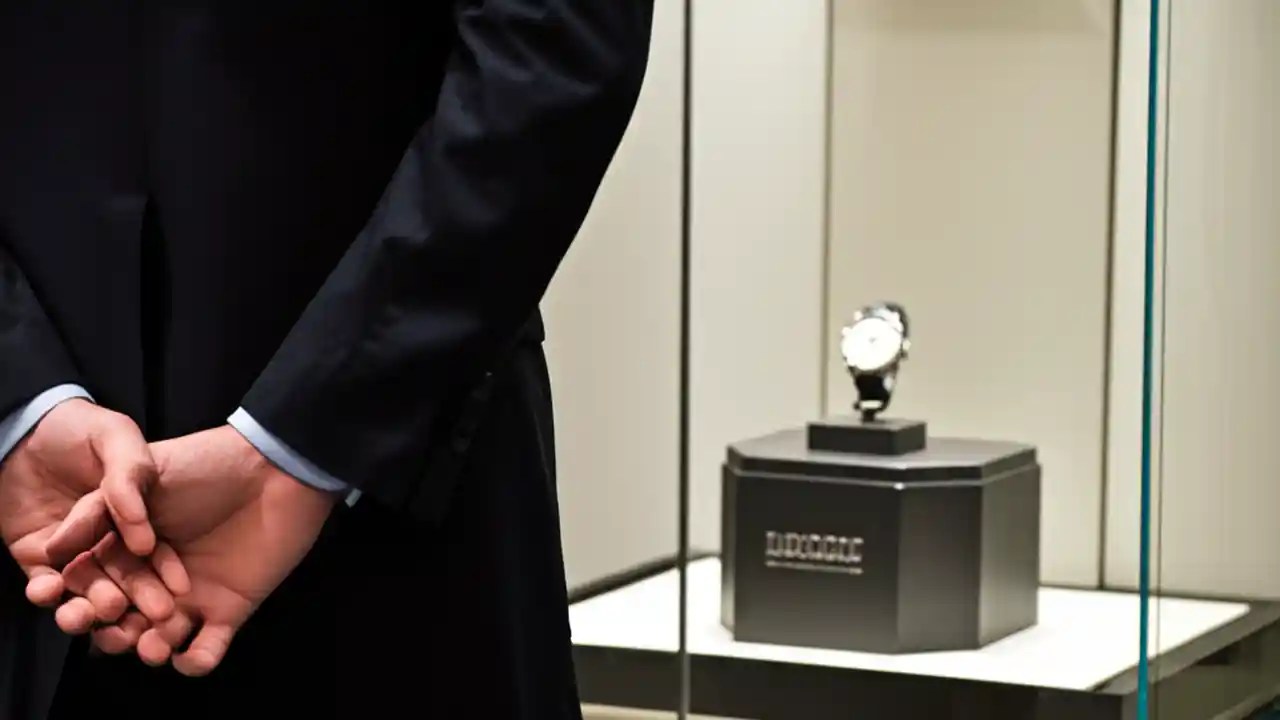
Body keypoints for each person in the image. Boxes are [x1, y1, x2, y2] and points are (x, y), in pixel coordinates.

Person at [0, 2, 654, 718]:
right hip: (29, 541)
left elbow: (553, 52)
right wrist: (20, 397)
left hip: (398, 525)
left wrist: (302, 440)